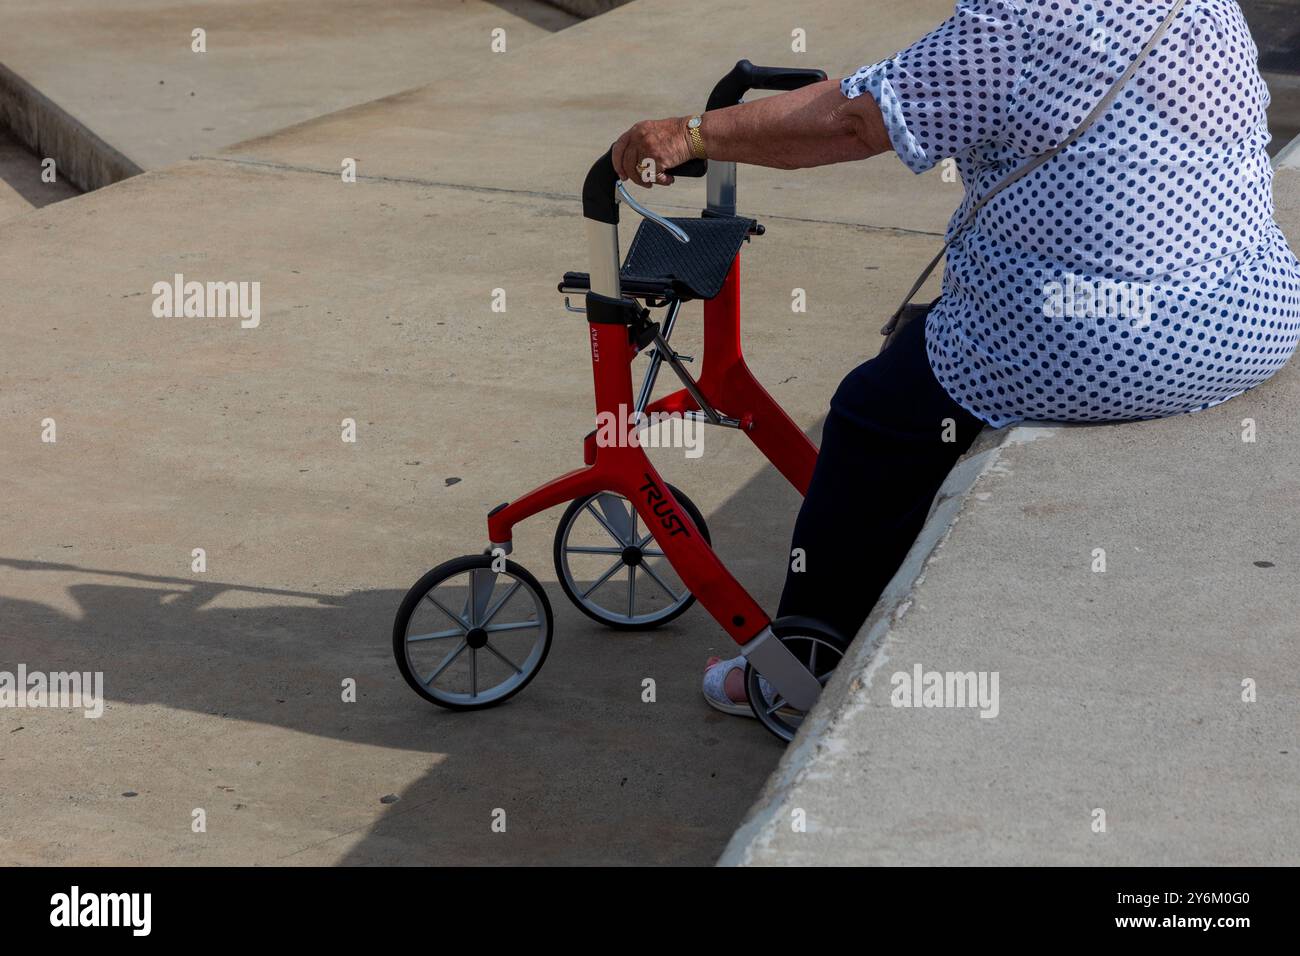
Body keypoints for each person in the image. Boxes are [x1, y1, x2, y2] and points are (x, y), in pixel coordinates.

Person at [609, 0, 1300, 717]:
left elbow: (854, 121)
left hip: (1103, 344)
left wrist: (692, 134)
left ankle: (799, 674)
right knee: (927, 352)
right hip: (1248, 315)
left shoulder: (1021, 18)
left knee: (872, 416)